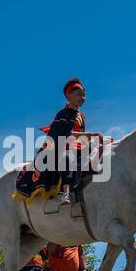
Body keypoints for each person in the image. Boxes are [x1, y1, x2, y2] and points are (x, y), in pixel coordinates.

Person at [19, 78, 109, 206]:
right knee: (67, 157)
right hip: (62, 146)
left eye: (84, 95)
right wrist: (91, 135)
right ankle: (66, 193)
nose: (83, 97)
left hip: (79, 145)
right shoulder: (63, 114)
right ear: (69, 96)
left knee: (106, 148)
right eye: (79, 94)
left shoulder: (81, 116)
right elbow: (67, 135)